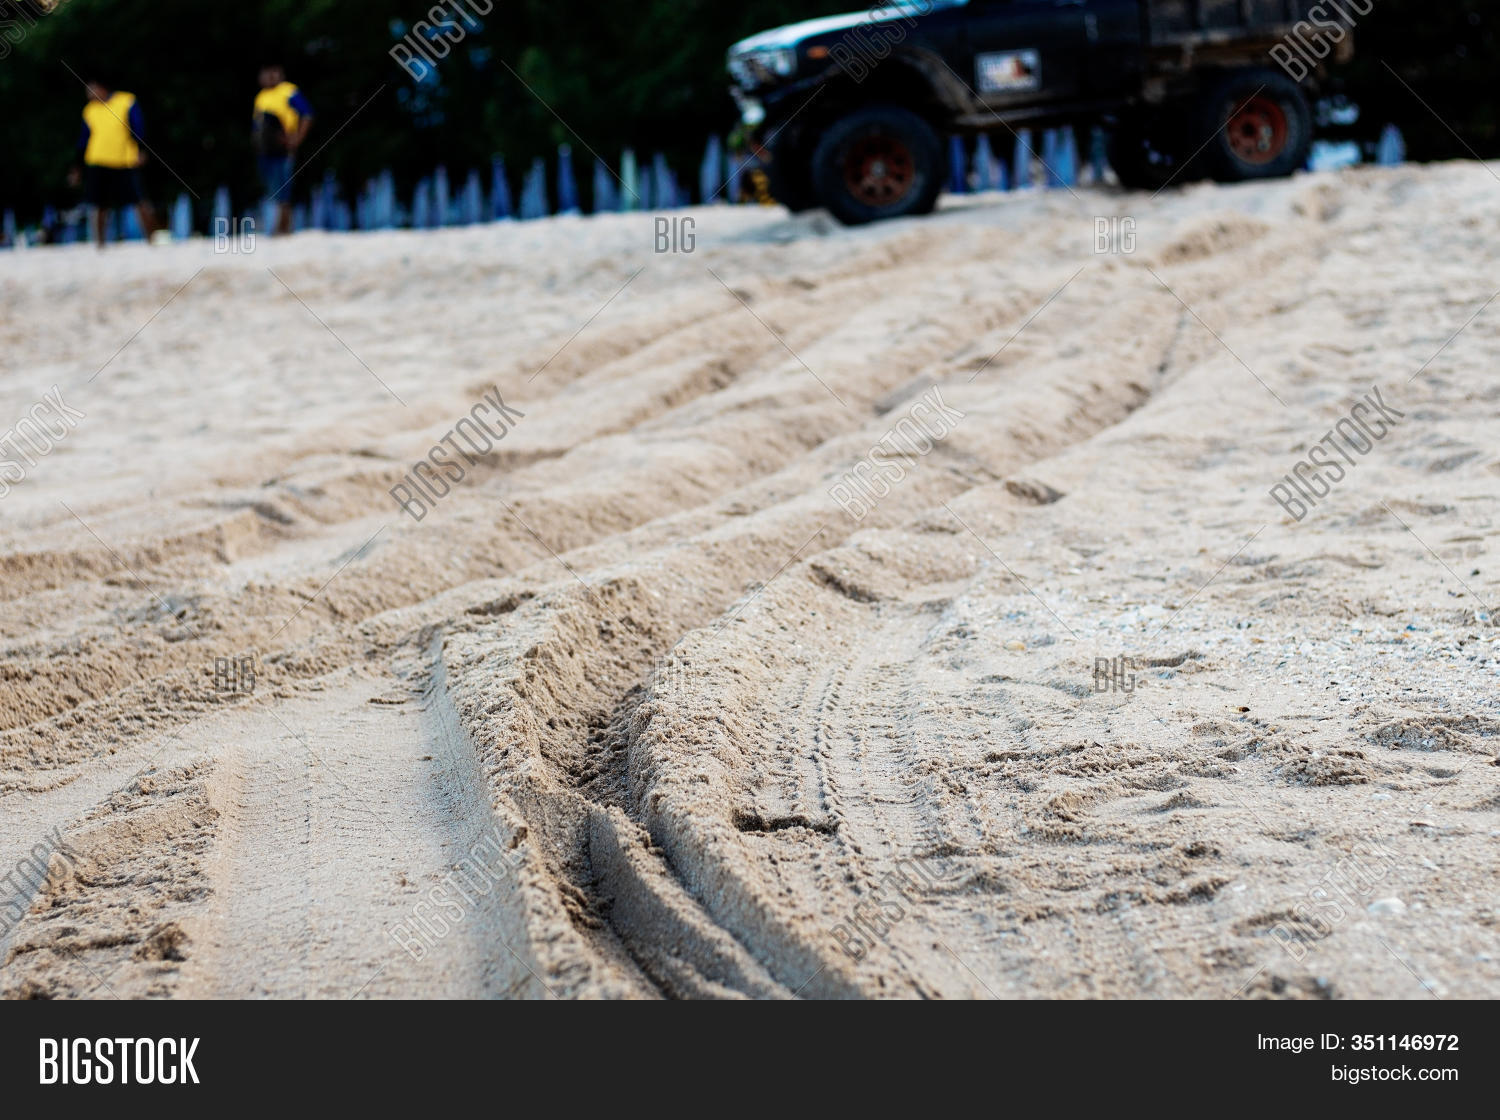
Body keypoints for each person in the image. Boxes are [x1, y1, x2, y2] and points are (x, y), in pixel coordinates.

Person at [70, 79, 159, 248]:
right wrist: (77, 167)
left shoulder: (126, 101)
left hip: (123, 160)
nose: (89, 96)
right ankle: (100, 244)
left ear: (103, 88)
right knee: (98, 204)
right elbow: (82, 141)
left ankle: (151, 239)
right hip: (97, 161)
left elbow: (138, 129)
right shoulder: (90, 110)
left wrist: (141, 151)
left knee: (139, 201)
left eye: (92, 90)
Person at [252, 64, 314, 235]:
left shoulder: (289, 91)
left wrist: (297, 139)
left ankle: (283, 227)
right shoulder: (261, 97)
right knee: (272, 188)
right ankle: (278, 226)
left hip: (282, 149)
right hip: (265, 151)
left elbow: (307, 114)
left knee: (283, 187)